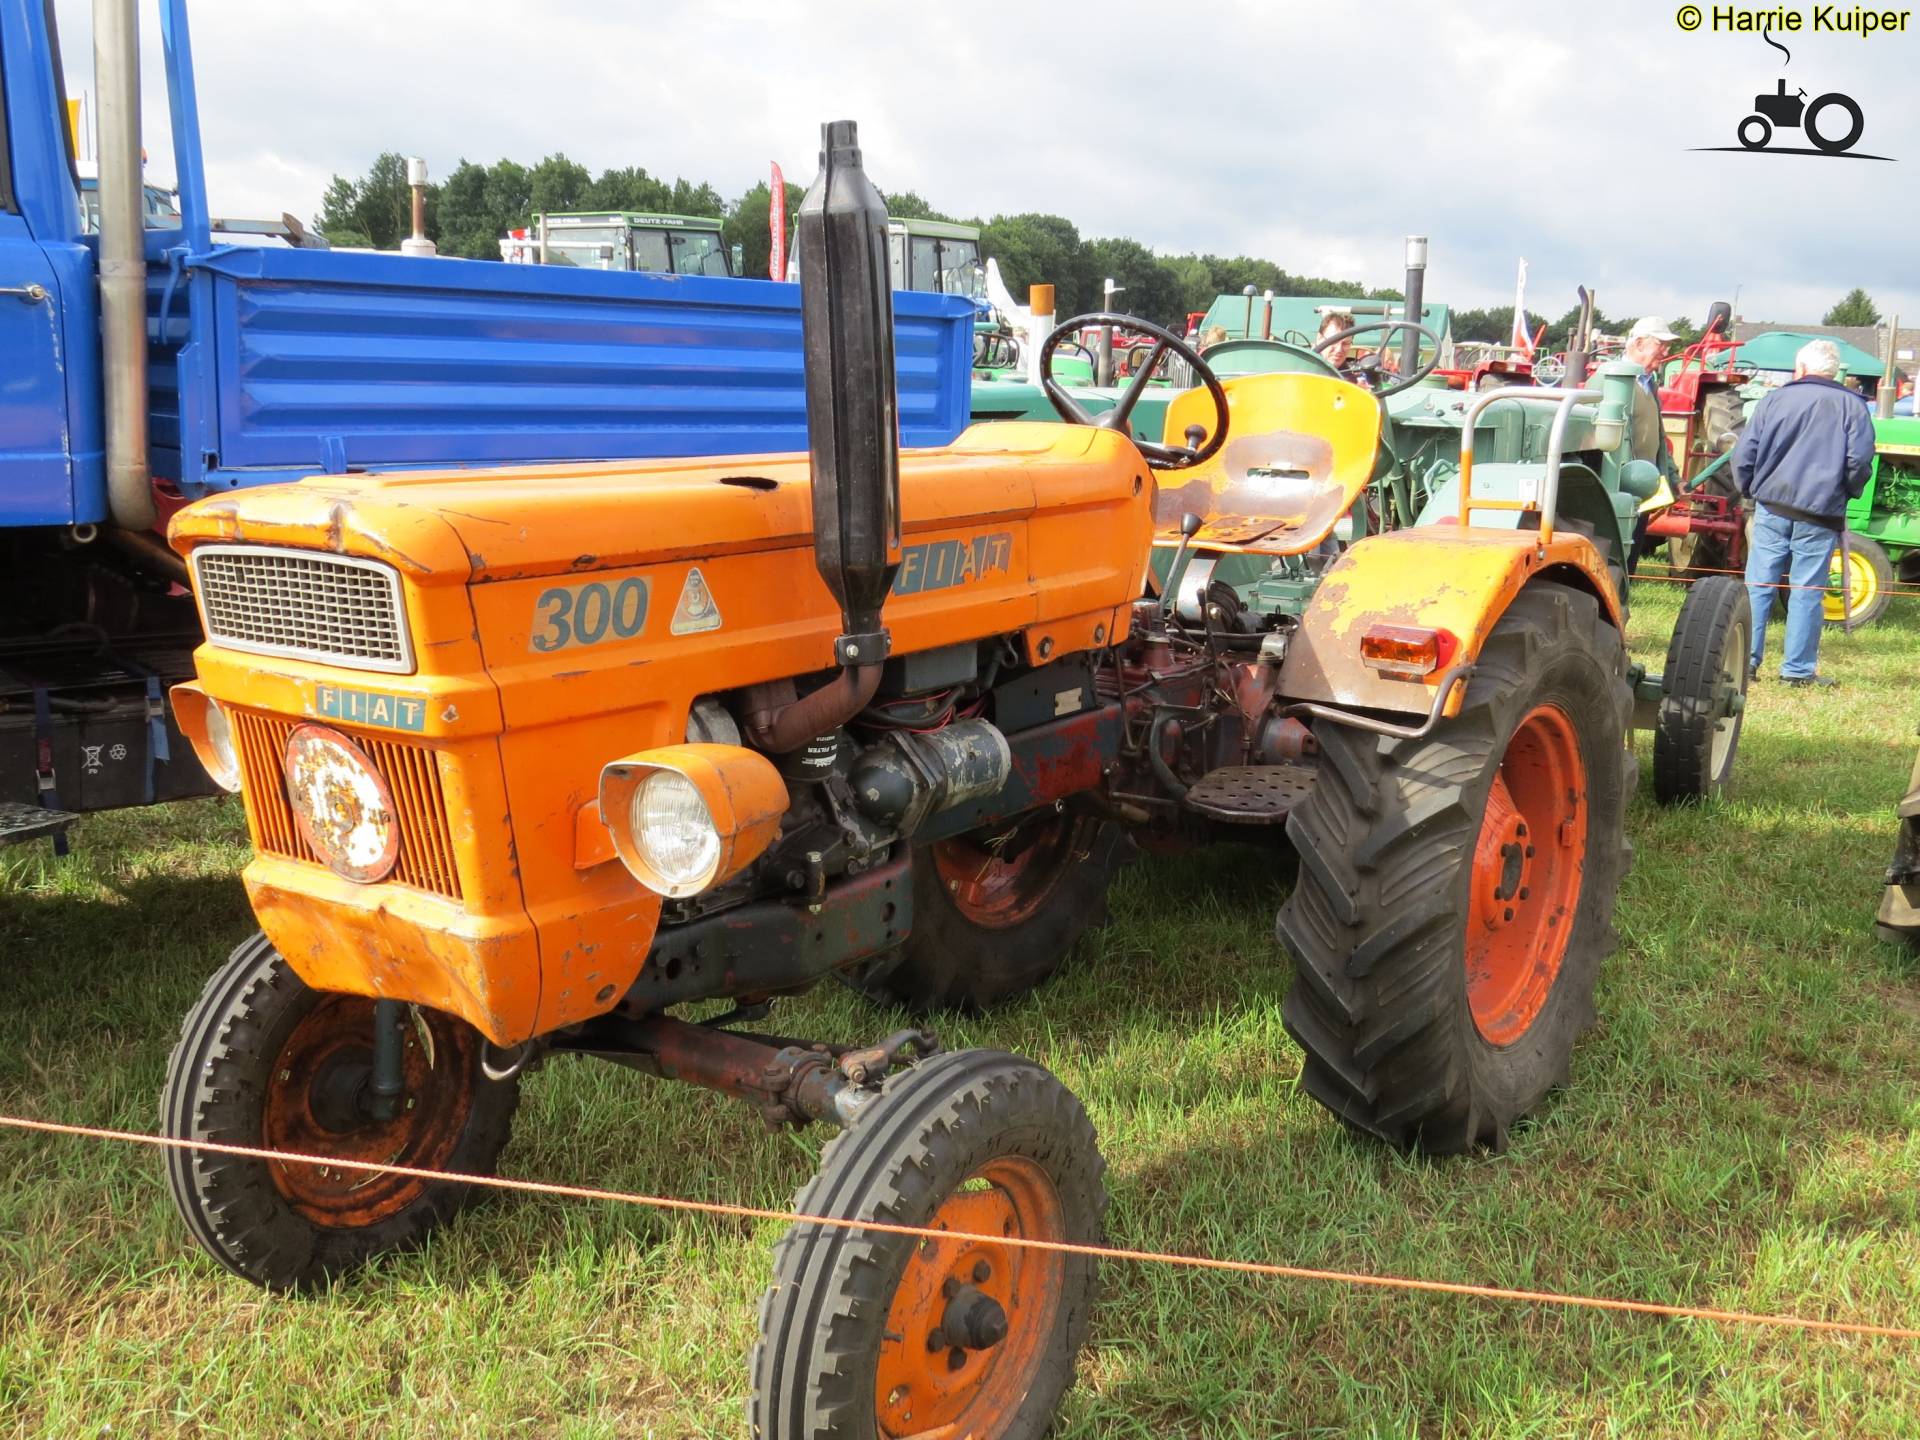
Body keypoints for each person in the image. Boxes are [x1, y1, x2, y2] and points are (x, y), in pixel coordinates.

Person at [1733, 338, 1875, 688]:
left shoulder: (1774, 400)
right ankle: (1796, 672)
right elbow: (1859, 462)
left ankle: (1745, 664)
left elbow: (1744, 453)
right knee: (1807, 590)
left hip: (1772, 505)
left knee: (1759, 585)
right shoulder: (1853, 406)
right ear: (1834, 371)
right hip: (1821, 511)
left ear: (1800, 369)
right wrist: (1845, 492)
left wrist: (1749, 489)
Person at [1623, 317, 1682, 568]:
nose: (1666, 352)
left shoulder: (1649, 383)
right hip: (1622, 489)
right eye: (1661, 344)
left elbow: (1659, 437)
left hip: (1643, 488)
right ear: (1638, 343)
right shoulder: (1615, 381)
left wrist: (1674, 479)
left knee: (1632, 556)